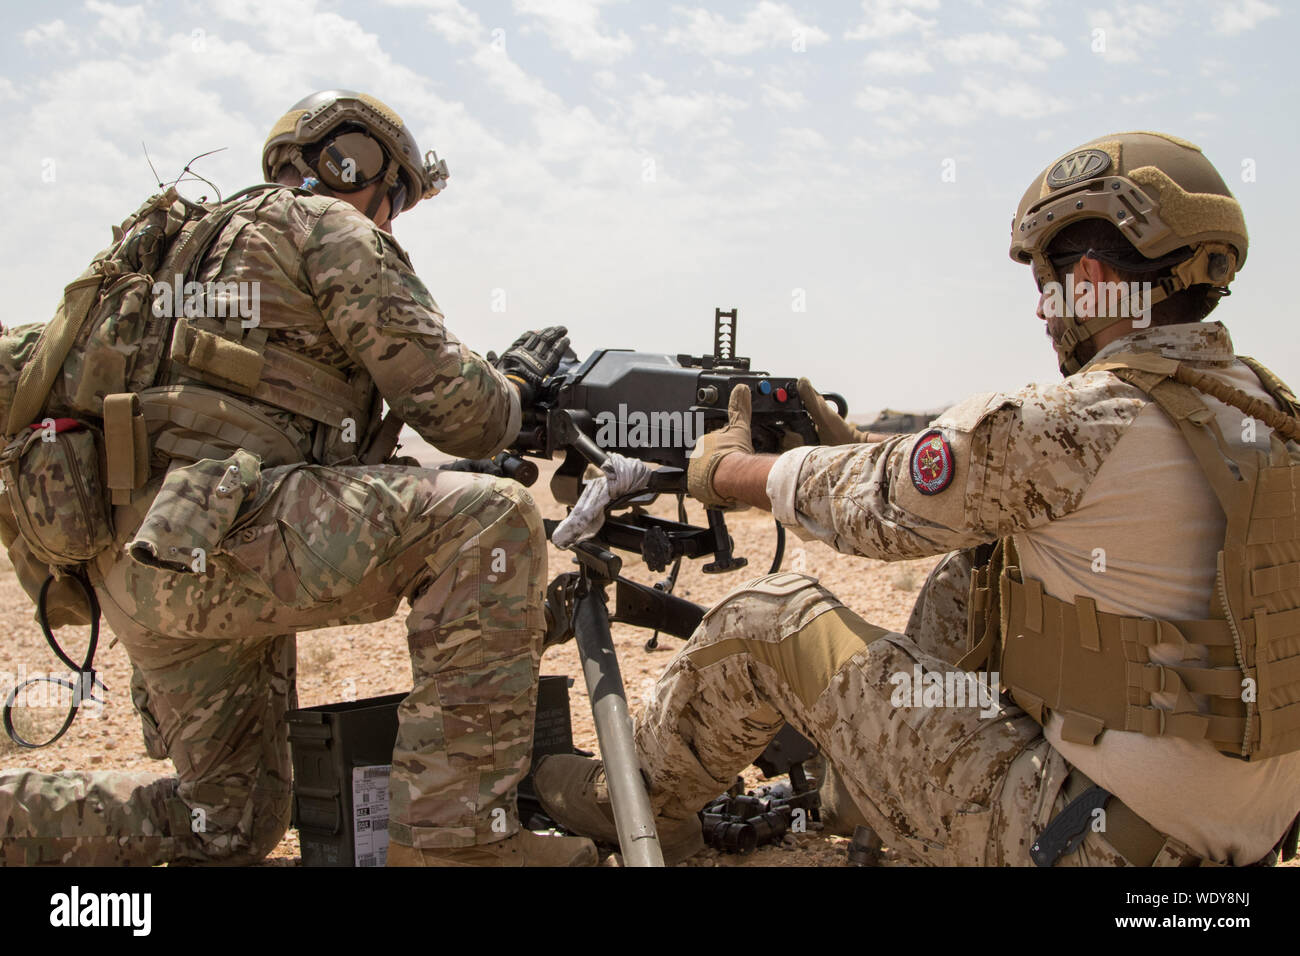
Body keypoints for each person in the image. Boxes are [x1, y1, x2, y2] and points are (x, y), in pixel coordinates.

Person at [536, 131, 1300, 867]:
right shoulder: (1270, 413)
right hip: (1232, 839)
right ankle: (866, 798)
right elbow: (974, 491)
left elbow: (881, 511)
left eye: (1048, 287)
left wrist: (729, 469)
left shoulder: (1081, 420)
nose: (1043, 313)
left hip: (1086, 840)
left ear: (1095, 285)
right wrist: (864, 455)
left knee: (766, 619)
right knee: (975, 570)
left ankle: (620, 803)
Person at [0, 90, 595, 867]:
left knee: (229, 823)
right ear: (357, 160)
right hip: (231, 545)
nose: (390, 219)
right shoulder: (322, 224)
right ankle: (454, 846)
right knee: (489, 519)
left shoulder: (162, 258)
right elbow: (458, 407)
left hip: (137, 568)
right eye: (397, 198)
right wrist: (513, 384)